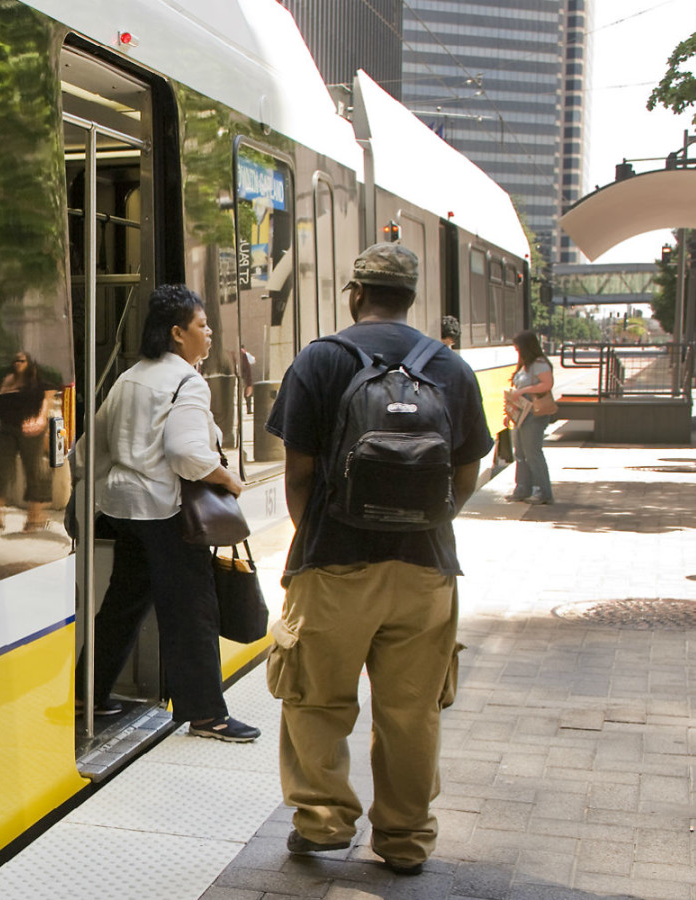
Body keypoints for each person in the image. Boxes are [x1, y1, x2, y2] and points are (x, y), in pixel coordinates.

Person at [264, 243, 492, 873]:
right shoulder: (450, 368)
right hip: (427, 570)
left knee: (315, 698)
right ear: (411, 300)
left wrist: (315, 539)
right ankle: (404, 840)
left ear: (356, 293)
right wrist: (430, 521)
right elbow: (468, 470)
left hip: (333, 563)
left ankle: (324, 820)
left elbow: (299, 472)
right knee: (411, 711)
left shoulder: (320, 360)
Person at [73, 284, 260, 742]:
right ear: (178, 333)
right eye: (201, 325)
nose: (209, 332)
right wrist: (226, 479)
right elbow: (186, 454)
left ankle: (87, 693)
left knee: (123, 602)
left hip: (122, 509)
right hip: (166, 510)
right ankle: (208, 716)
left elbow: (87, 451)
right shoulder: (187, 382)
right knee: (192, 610)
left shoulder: (130, 376)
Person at [0, 351, 51, 533]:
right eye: (14, 361)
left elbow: (46, 400)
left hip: (30, 429)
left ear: (28, 362)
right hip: (6, 429)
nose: (17, 364)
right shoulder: (5, 379)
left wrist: (41, 419)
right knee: (3, 472)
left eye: (21, 361)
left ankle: (33, 519)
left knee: (32, 471)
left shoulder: (36, 380)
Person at [504, 330, 555, 505]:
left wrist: (523, 391)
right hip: (521, 413)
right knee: (520, 453)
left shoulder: (539, 364)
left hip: (534, 413)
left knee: (532, 452)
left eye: (518, 347)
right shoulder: (525, 364)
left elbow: (547, 384)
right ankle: (522, 488)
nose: (516, 350)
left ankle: (542, 491)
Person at [240, 344, 256, 413]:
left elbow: (247, 368)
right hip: (243, 378)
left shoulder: (243, 354)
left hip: (243, 378)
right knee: (246, 395)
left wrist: (249, 383)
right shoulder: (244, 354)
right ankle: (248, 409)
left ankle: (249, 409)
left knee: (246, 395)